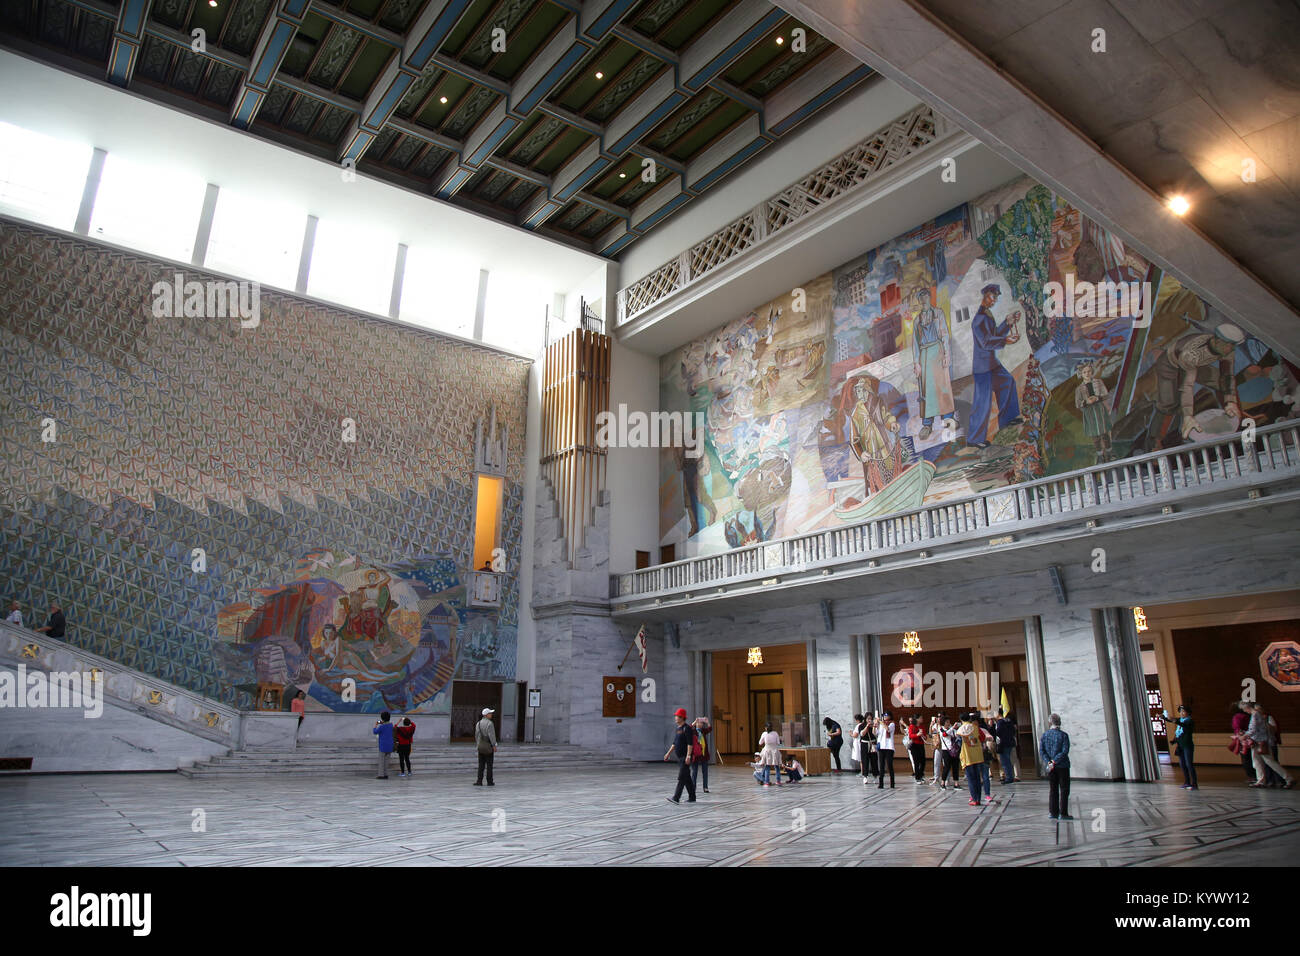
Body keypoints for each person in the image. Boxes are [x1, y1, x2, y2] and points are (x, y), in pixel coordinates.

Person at [966, 284, 1023, 449]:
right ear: (985, 296)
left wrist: (1008, 322)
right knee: (982, 403)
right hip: (983, 368)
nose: (995, 300)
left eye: (996, 297)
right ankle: (974, 438)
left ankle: (1008, 418)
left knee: (1007, 382)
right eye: (992, 297)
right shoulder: (979, 319)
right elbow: (985, 342)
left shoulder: (988, 315)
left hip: (992, 364)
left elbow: (994, 335)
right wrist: (1005, 341)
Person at [909, 286, 957, 439]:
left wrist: (946, 354)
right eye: (920, 297)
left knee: (942, 388)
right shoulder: (917, 321)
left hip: (937, 351)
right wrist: (916, 363)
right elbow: (915, 344)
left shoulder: (938, 313)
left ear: (929, 298)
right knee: (926, 391)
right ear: (919, 300)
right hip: (924, 355)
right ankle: (927, 425)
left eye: (925, 296)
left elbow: (944, 333)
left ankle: (948, 420)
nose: (923, 300)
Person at [1247, 703, 1295, 788]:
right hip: (1256, 742)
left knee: (1270, 762)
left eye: (1259, 709)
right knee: (1257, 762)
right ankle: (1261, 780)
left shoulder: (1265, 718)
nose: (1257, 711)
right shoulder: (1255, 717)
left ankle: (1287, 778)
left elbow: (1271, 730)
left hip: (1265, 743)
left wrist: (1264, 723)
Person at [1040, 713, 1073, 820]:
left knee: (1053, 789)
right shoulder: (1063, 735)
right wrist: (1055, 760)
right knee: (1064, 789)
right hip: (1062, 765)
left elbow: (1042, 751)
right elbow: (1065, 751)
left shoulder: (1045, 735)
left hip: (1051, 767)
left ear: (1050, 722)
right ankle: (1063, 813)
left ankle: (1053, 812)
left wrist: (1049, 762)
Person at [664, 707, 697, 803]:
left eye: (677, 716)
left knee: (682, 776)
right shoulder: (678, 729)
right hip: (680, 757)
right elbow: (674, 743)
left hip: (685, 757)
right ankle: (692, 797)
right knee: (687, 778)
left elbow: (690, 744)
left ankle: (676, 797)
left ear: (682, 717)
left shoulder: (687, 729)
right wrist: (668, 753)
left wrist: (688, 756)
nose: (675, 718)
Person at [1163, 704, 1197, 789]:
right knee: (1182, 765)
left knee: (1189, 764)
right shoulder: (1181, 720)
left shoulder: (1189, 721)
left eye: (1183, 711)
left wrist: (1176, 721)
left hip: (1187, 746)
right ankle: (1187, 782)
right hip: (1180, 746)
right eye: (1180, 711)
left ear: (1188, 712)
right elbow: (1172, 720)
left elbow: (1184, 725)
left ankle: (1194, 783)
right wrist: (1163, 717)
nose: (1182, 713)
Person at [957, 713, 987, 805]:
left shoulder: (961, 729)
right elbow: (982, 738)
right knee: (977, 778)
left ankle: (974, 799)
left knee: (971, 778)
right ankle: (978, 798)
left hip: (968, 756)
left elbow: (959, 741)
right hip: (977, 755)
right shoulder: (975, 727)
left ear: (961, 720)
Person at [1231, 700, 1256, 782]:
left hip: (1244, 740)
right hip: (1251, 738)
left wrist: (1240, 735)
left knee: (1246, 759)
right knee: (1252, 758)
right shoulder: (1248, 716)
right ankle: (1256, 775)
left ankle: (1251, 776)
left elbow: (1237, 728)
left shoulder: (1237, 717)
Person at [474, 707, 498, 786]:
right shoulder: (490, 724)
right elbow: (492, 736)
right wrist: (494, 745)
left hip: (481, 746)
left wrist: (478, 744)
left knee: (481, 764)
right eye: (490, 713)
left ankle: (479, 780)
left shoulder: (479, 723)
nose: (491, 715)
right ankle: (489, 781)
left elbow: (476, 735)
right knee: (489, 765)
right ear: (486, 715)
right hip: (488, 746)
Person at [689, 716, 712, 793]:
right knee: (694, 772)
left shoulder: (703, 731)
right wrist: (694, 722)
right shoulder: (693, 731)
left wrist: (707, 722)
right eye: (699, 723)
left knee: (705, 772)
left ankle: (705, 787)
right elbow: (688, 728)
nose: (700, 724)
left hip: (703, 754)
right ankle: (693, 787)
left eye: (702, 723)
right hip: (696, 754)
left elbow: (710, 729)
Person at [994, 709, 1018, 784]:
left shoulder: (1000, 722)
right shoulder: (1009, 720)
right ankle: (1010, 776)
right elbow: (1013, 730)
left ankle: (1009, 777)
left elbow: (998, 732)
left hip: (1003, 743)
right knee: (1008, 760)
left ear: (998, 714)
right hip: (1010, 742)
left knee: (1005, 761)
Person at [939, 717, 962, 790]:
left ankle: (956, 783)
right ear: (943, 723)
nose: (949, 723)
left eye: (949, 722)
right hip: (946, 750)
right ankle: (942, 783)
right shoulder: (941, 729)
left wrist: (957, 729)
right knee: (947, 766)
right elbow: (944, 734)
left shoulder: (952, 729)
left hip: (954, 750)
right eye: (947, 722)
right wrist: (952, 728)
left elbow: (957, 735)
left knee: (955, 766)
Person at [875, 712, 896, 789]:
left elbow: (888, 729)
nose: (886, 721)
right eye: (885, 719)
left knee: (889, 765)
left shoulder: (892, 724)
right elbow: (875, 733)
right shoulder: (881, 725)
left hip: (889, 747)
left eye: (887, 720)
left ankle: (892, 783)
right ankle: (881, 783)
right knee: (881, 765)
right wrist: (875, 726)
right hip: (881, 747)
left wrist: (880, 722)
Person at [372, 711, 394, 779]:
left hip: (383, 746)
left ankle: (381, 775)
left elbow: (375, 732)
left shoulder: (382, 726)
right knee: (387, 761)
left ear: (382, 718)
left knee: (381, 761)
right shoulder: (391, 725)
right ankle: (386, 774)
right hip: (390, 745)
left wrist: (375, 725)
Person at [907, 716, 927, 783]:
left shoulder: (922, 726)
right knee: (916, 762)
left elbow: (925, 737)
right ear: (917, 719)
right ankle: (917, 777)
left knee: (923, 761)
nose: (922, 719)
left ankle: (921, 775)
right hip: (914, 745)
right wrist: (917, 734)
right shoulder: (912, 726)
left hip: (921, 745)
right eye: (920, 718)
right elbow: (910, 735)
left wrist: (923, 736)